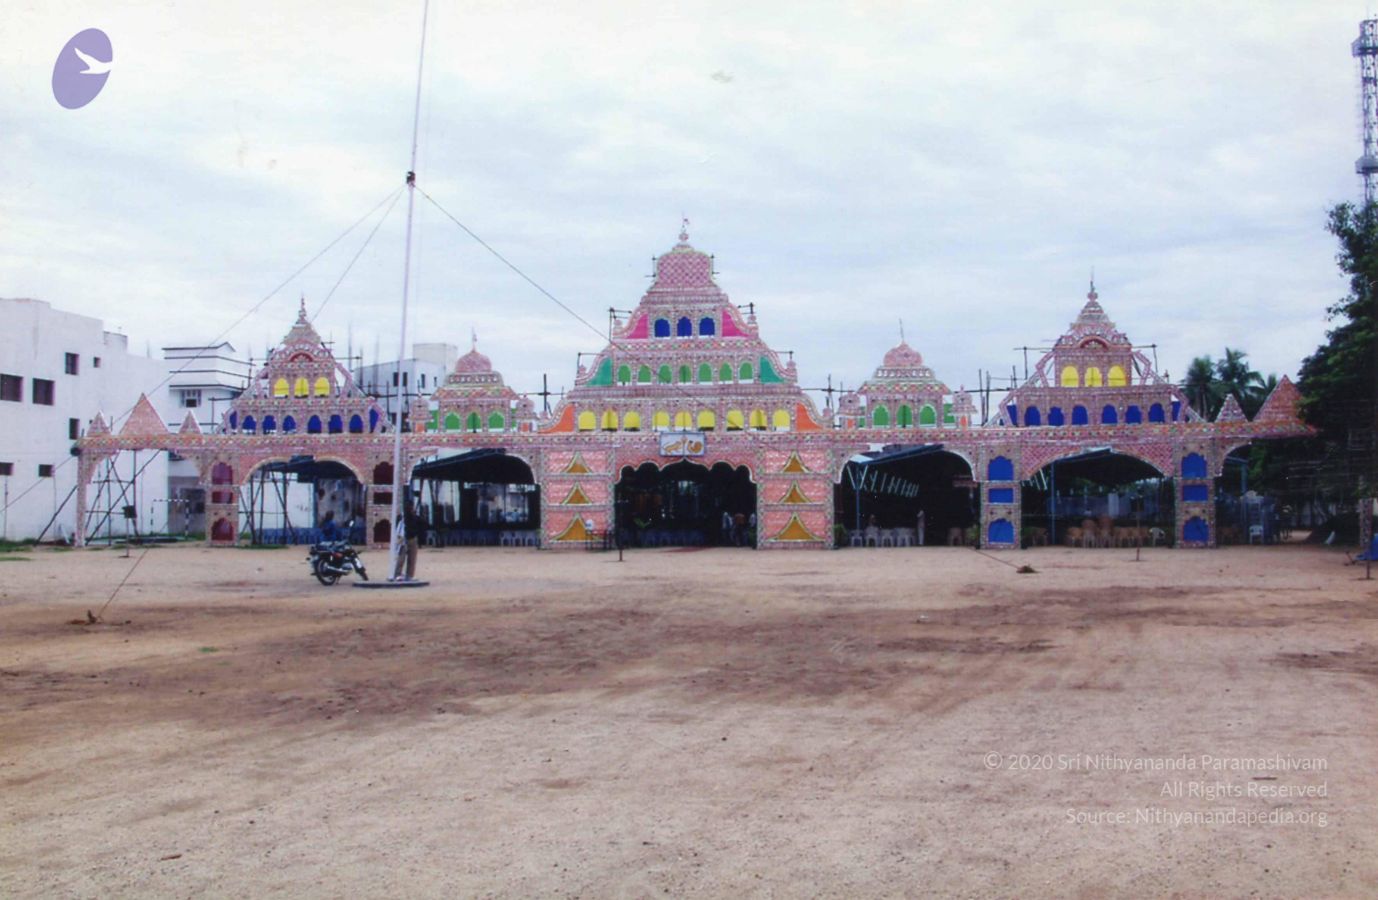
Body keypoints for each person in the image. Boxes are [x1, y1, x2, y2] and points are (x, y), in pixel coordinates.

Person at [393, 496, 422, 581]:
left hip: (412, 538)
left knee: (412, 558)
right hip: (404, 539)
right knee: (401, 558)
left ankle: (409, 575)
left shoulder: (414, 517)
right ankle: (397, 574)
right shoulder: (403, 517)